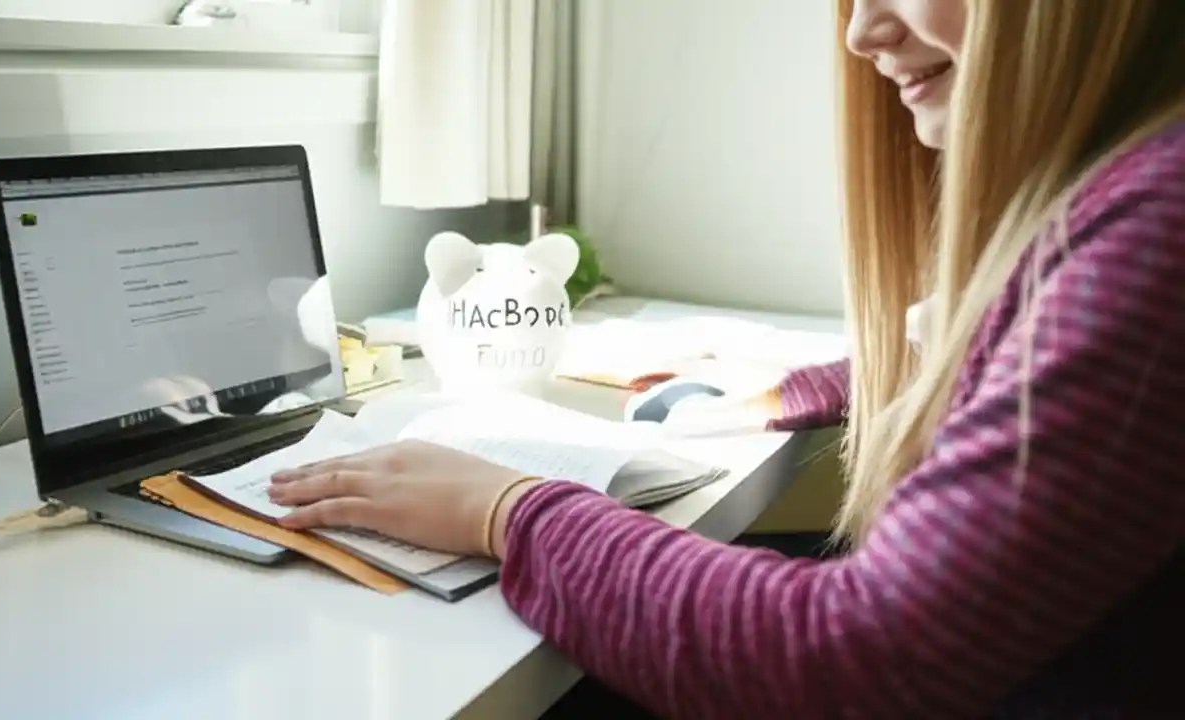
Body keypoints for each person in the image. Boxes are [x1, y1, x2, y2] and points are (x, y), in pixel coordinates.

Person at [268, 0, 1185, 716]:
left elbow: (851, 662)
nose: (862, 33)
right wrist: (792, 391)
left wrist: (504, 509)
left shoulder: (1154, 229)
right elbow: (1016, 356)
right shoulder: (1126, 194)